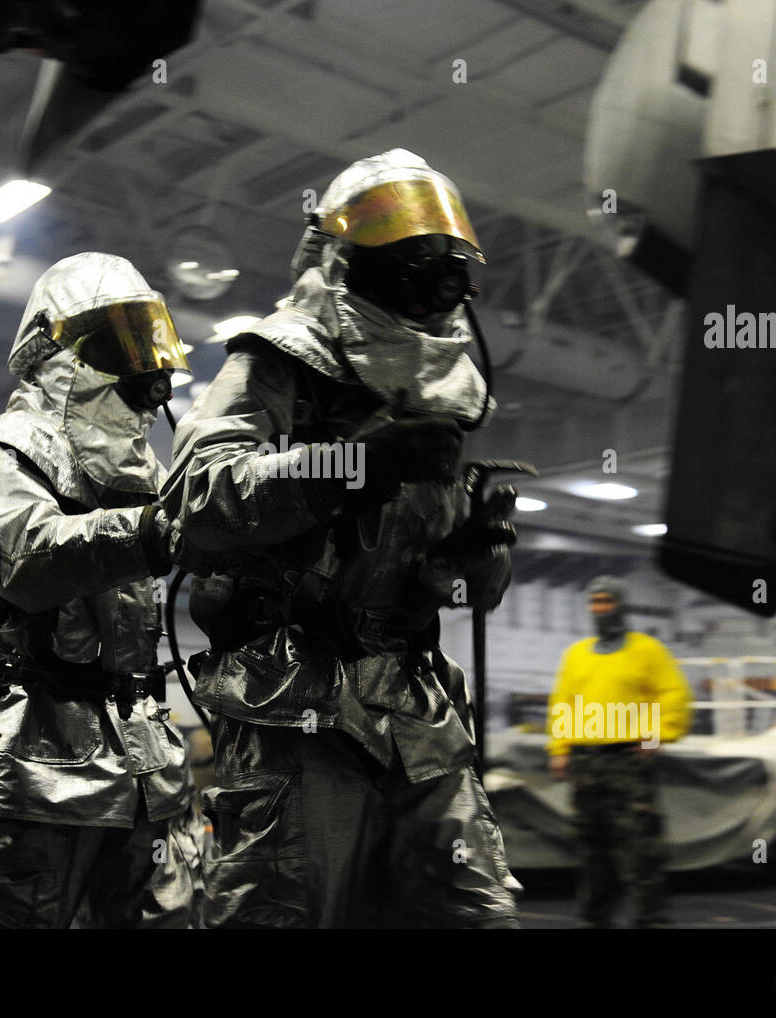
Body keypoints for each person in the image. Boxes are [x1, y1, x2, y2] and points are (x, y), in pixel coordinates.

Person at [163, 149, 521, 928]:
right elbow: (193, 503)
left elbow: (448, 588)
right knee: (285, 911)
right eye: (414, 259)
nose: (438, 280)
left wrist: (475, 560)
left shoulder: (444, 392)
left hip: (416, 712)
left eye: (449, 259)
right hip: (296, 708)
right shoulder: (285, 358)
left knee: (474, 912)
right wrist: (357, 463)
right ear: (354, 260)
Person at [0, 252, 202, 929]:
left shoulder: (148, 472)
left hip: (142, 764)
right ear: (55, 350)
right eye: (118, 340)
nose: (144, 363)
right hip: (36, 764)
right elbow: (24, 558)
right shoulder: (12, 453)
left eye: (148, 340)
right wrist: (150, 531)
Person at [546, 576, 692, 928]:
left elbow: (674, 696)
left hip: (626, 763)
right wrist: (559, 749)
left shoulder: (648, 651)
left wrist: (657, 736)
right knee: (591, 850)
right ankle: (596, 918)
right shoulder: (576, 654)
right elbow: (562, 704)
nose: (600, 609)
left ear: (621, 606)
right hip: (585, 764)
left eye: (606, 602)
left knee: (640, 848)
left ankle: (651, 918)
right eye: (594, 602)